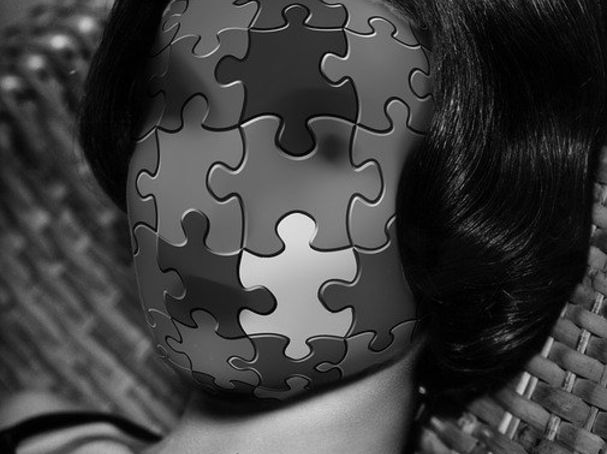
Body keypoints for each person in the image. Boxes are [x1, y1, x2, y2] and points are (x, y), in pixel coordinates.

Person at [2, 0, 607, 452]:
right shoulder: (39, 425)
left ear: (467, 197)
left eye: (318, 141)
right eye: (181, 107)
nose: (207, 201)